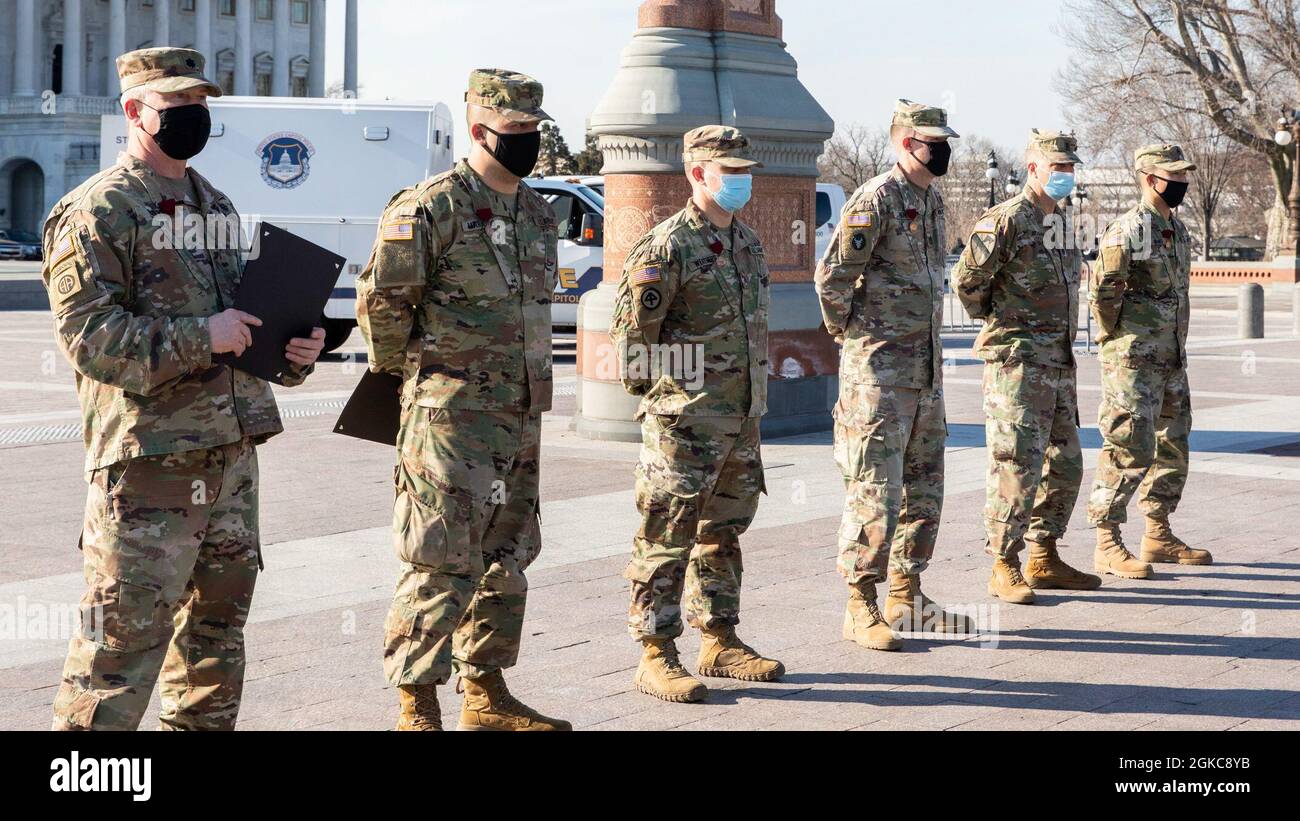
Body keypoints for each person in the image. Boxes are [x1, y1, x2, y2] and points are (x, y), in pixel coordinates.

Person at [44, 47, 325, 731]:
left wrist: (295, 352)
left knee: (214, 646)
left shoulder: (214, 205)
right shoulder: (98, 210)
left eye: (201, 106)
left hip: (229, 464)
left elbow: (247, 327)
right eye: (178, 107)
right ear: (135, 111)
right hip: (148, 472)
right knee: (117, 650)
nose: (193, 119)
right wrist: (205, 335)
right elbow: (91, 340)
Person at [356, 69, 569, 731]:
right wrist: (418, 383)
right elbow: (382, 306)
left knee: (508, 553)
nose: (527, 143)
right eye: (514, 133)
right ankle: (416, 703)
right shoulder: (429, 207)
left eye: (535, 132)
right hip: (449, 419)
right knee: (440, 555)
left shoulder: (536, 212)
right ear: (478, 130)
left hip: (520, 415)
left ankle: (486, 691)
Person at [609, 125, 783, 704]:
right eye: (727, 172)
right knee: (666, 538)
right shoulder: (666, 248)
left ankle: (719, 638)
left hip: (741, 421)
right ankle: (656, 653)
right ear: (695, 174)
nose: (739, 181)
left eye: (744, 172)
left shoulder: (749, 244)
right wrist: (686, 388)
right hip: (685, 425)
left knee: (723, 533)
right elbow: (633, 348)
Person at [815, 99, 975, 651]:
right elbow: (833, 278)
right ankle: (860, 603)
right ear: (907, 142)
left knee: (924, 491)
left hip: (924, 374)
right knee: (875, 493)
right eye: (935, 141)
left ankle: (908, 596)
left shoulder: (929, 201)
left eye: (945, 139)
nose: (944, 150)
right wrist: (855, 342)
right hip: (880, 377)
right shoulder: (876, 197)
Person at [952, 129, 1100, 604]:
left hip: (1057, 364)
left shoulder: (1060, 223)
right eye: (1057, 167)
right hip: (1017, 365)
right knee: (1015, 465)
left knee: (1066, 464)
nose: (1066, 175)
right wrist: (1006, 323)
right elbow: (968, 282)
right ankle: (1004, 562)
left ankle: (1043, 554)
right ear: (1033, 168)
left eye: (1070, 168)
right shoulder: (1007, 220)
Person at [1088, 143, 1212, 575]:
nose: (1180, 182)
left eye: (1183, 175)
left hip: (1171, 358)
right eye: (1172, 175)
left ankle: (1157, 533)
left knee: (1172, 444)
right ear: (1148, 177)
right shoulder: (1129, 230)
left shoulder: (1177, 231)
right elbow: (1103, 292)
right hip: (1133, 362)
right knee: (1127, 446)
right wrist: (1117, 341)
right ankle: (1107, 539)